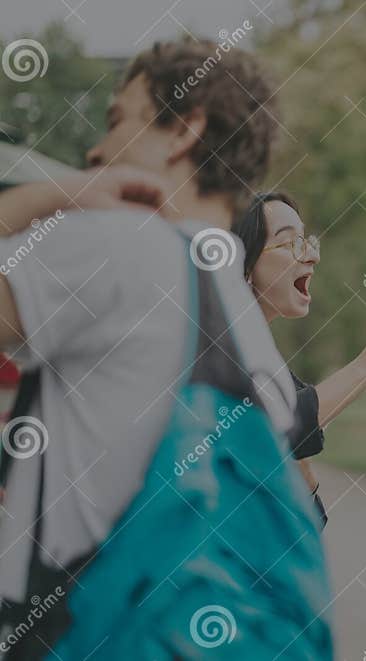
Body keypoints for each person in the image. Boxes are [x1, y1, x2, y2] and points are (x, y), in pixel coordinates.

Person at [0, 39, 307, 652]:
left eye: (117, 121)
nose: (96, 151)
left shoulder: (119, 244)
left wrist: (50, 194)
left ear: (184, 131)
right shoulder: (248, 325)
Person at [231, 192, 366, 526]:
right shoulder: (225, 344)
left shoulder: (260, 347)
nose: (311, 255)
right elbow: (290, 420)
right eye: (289, 243)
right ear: (246, 265)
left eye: (306, 240)